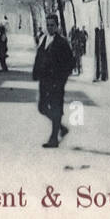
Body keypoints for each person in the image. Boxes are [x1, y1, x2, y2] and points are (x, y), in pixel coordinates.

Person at [33, 13, 74, 148]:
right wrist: (36, 73)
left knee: (56, 108)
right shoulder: (44, 39)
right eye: (48, 25)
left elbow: (70, 63)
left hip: (56, 82)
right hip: (44, 81)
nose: (50, 28)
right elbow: (39, 57)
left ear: (57, 26)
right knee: (42, 107)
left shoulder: (62, 43)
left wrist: (61, 79)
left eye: (52, 25)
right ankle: (61, 128)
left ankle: (54, 139)